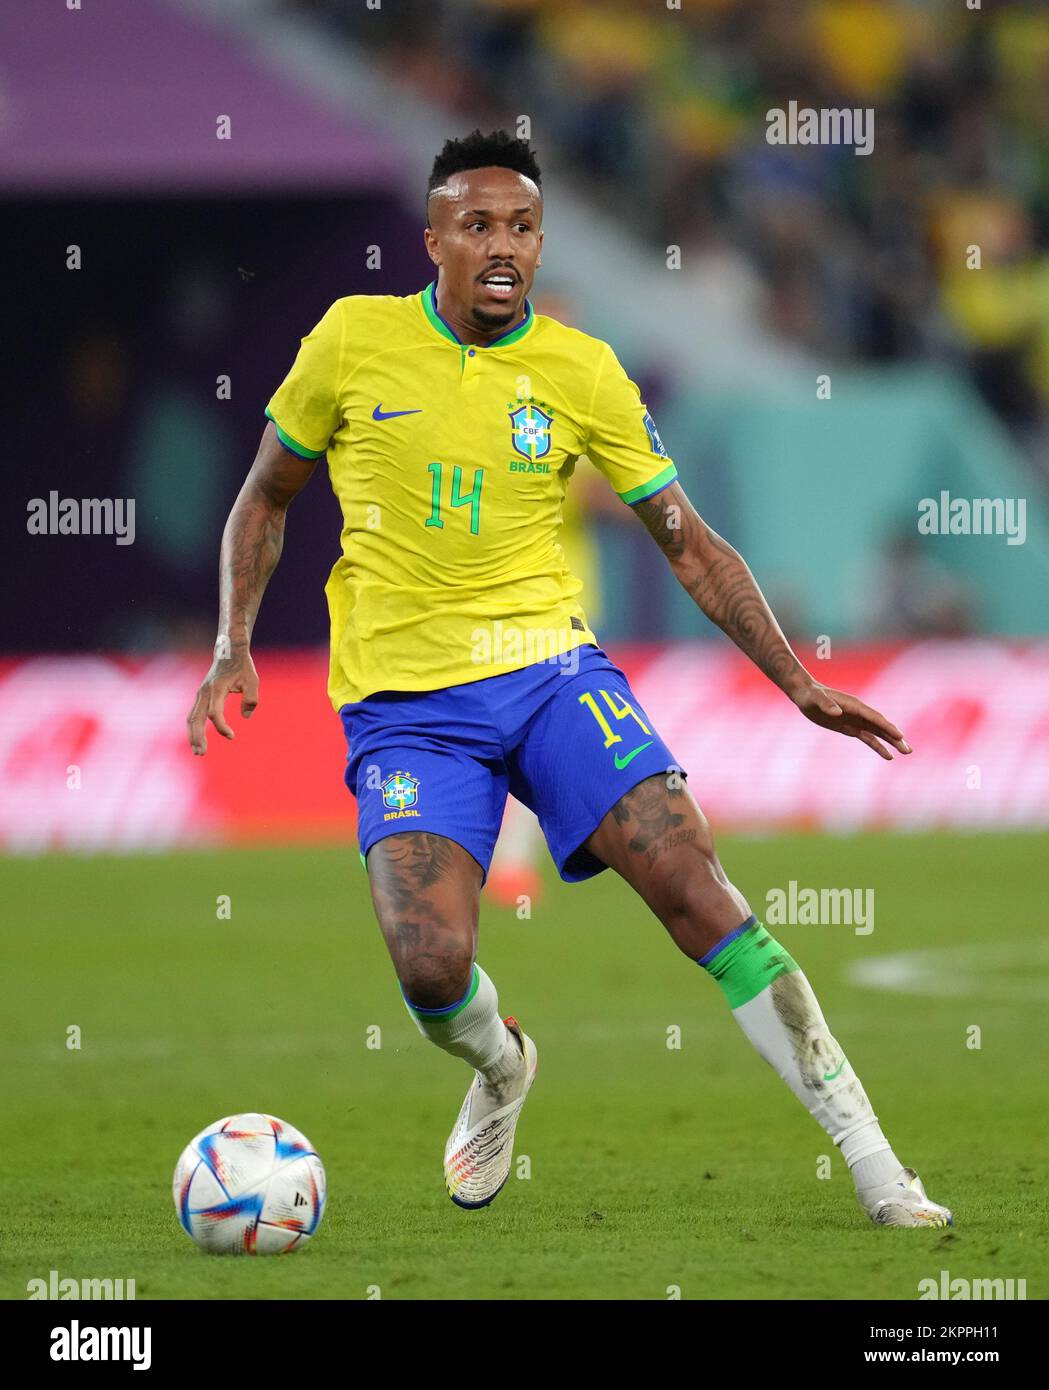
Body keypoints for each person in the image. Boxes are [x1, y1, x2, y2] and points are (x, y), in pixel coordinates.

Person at [187, 129, 951, 1227]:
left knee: (698, 888)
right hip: (405, 709)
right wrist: (232, 642)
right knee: (430, 964)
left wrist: (795, 679)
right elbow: (266, 495)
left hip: (551, 676)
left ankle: (879, 1169)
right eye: (480, 225)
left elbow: (685, 540)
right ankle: (499, 1064)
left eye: (524, 227)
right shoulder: (351, 340)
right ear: (434, 239)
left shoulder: (582, 369)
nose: (505, 246)